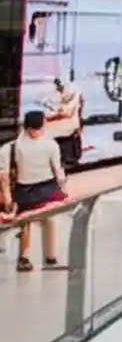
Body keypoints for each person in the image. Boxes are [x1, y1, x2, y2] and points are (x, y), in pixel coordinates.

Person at [1, 111, 68, 271]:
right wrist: (63, 188)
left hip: (24, 191)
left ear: (25, 127)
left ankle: (24, 257)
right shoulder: (51, 145)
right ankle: (50, 257)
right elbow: (58, 172)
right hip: (48, 189)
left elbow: (4, 176)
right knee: (50, 219)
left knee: (26, 221)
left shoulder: (11, 147)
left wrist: (8, 197)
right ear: (43, 125)